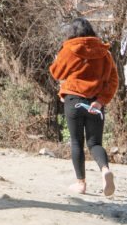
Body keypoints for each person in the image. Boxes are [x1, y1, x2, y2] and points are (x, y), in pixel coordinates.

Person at [49, 18, 119, 197]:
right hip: (95, 102)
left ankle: (81, 183)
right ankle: (105, 170)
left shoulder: (69, 49)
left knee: (76, 142)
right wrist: (101, 100)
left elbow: (56, 73)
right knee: (95, 143)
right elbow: (113, 81)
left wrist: (59, 58)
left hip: (73, 100)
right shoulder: (104, 53)